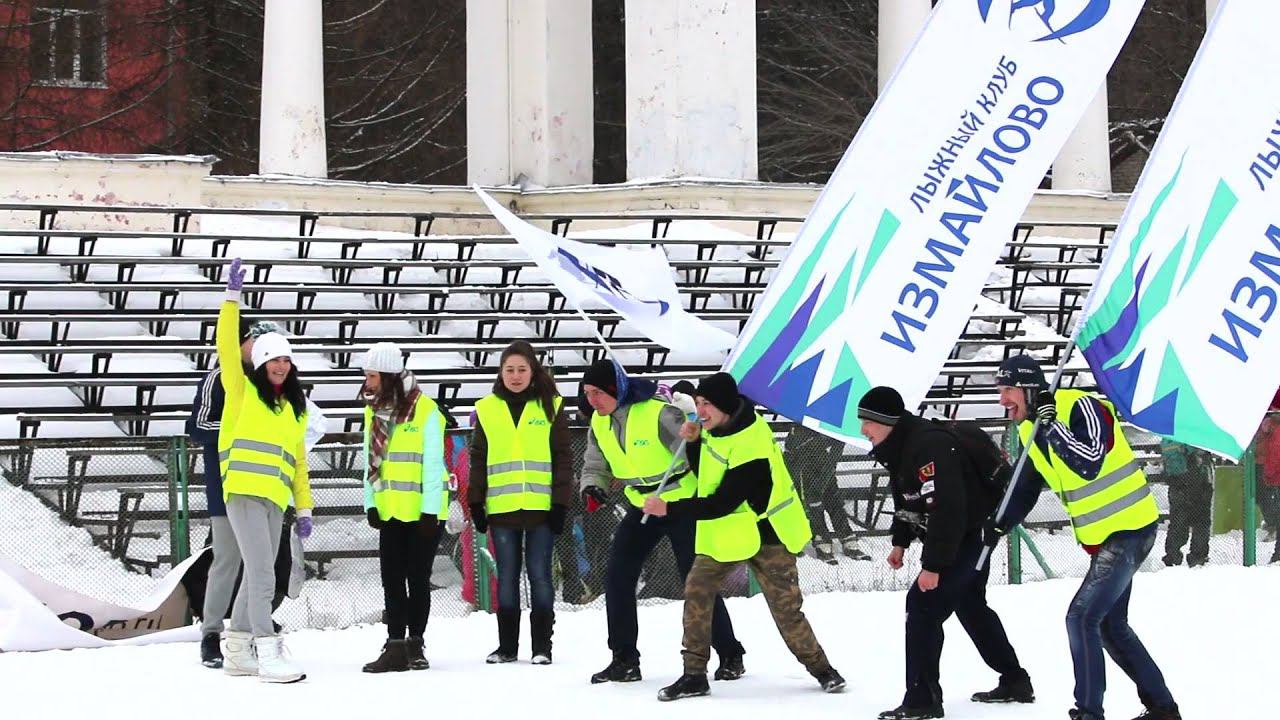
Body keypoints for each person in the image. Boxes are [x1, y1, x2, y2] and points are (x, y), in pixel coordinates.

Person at [989, 354, 1180, 720]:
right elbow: (1025, 486)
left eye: (1009, 389)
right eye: (1000, 390)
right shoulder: (1031, 428)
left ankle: (1089, 712)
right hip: (1105, 537)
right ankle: (1163, 710)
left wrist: (1052, 424)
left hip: (1130, 528)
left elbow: (1088, 462)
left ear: (1030, 388)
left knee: (1081, 618)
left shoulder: (1082, 407)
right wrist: (997, 524)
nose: (1003, 399)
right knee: (1110, 625)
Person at [643, 372, 844, 701]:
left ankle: (823, 669)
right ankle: (694, 675)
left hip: (768, 534)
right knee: (697, 590)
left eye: (706, 404)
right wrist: (693, 442)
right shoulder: (715, 428)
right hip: (727, 534)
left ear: (723, 405)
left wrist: (670, 508)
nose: (700, 410)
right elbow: (706, 470)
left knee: (786, 610)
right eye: (697, 403)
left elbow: (722, 500)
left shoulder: (752, 443)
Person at [857, 386, 1033, 720]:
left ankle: (923, 700)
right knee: (970, 604)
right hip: (965, 532)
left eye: (867, 421)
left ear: (887, 421)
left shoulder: (928, 446)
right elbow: (909, 497)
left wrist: (933, 566)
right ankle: (1015, 680)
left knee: (922, 607)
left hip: (968, 534)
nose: (863, 429)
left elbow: (946, 509)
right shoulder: (902, 445)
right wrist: (901, 540)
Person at [579, 359, 746, 684]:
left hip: (680, 503)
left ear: (615, 390)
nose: (592, 400)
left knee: (695, 581)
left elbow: (700, 451)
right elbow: (595, 460)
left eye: (598, 392)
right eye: (587, 393)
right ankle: (624, 659)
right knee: (617, 576)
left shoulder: (658, 413)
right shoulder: (599, 422)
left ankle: (730, 654)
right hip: (642, 505)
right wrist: (593, 486)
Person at [217, 258, 314, 683]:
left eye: (285, 361)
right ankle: (266, 649)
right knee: (261, 573)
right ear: (259, 363)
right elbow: (224, 346)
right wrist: (231, 300)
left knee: (257, 573)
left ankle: (237, 650)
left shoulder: (294, 408)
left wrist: (305, 508)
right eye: (273, 360)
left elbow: (299, 464)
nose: (280, 366)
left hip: (275, 499)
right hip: (243, 492)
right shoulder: (242, 392)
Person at [468, 340, 573, 665]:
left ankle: (542, 647)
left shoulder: (551, 406)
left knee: (540, 575)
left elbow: (563, 458)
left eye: (522, 369)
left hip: (541, 510)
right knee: (507, 576)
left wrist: (560, 505)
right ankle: (507, 647)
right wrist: (475, 502)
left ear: (533, 371)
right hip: (502, 510)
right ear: (501, 372)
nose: (515, 376)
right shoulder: (486, 408)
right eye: (509, 369)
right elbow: (478, 458)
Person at [186, 317, 281, 668]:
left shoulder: (266, 382)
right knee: (228, 558)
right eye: (252, 341)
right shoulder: (219, 379)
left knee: (262, 564)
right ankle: (211, 632)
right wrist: (238, 430)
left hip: (264, 486)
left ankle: (247, 628)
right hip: (228, 484)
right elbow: (197, 425)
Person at [357, 342, 450, 673]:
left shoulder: (426, 411)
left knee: (418, 578)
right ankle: (395, 643)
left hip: (423, 513)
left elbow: (434, 466)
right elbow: (370, 461)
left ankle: (415, 641)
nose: (367, 382)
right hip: (390, 510)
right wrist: (371, 502)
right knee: (392, 579)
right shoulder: (372, 411)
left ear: (388, 376)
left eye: (371, 376)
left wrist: (430, 511)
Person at [783, 424, 869, 563]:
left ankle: (847, 537)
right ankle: (821, 539)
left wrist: (828, 468)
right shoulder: (801, 423)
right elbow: (791, 451)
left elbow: (836, 445)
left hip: (824, 462)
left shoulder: (832, 422)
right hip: (803, 465)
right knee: (813, 502)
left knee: (834, 500)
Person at [1158, 440, 1213, 567]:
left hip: (1176, 484)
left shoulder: (1169, 435)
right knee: (1201, 522)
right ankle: (1198, 557)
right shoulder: (1196, 434)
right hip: (1199, 482)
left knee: (1178, 522)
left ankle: (1172, 556)